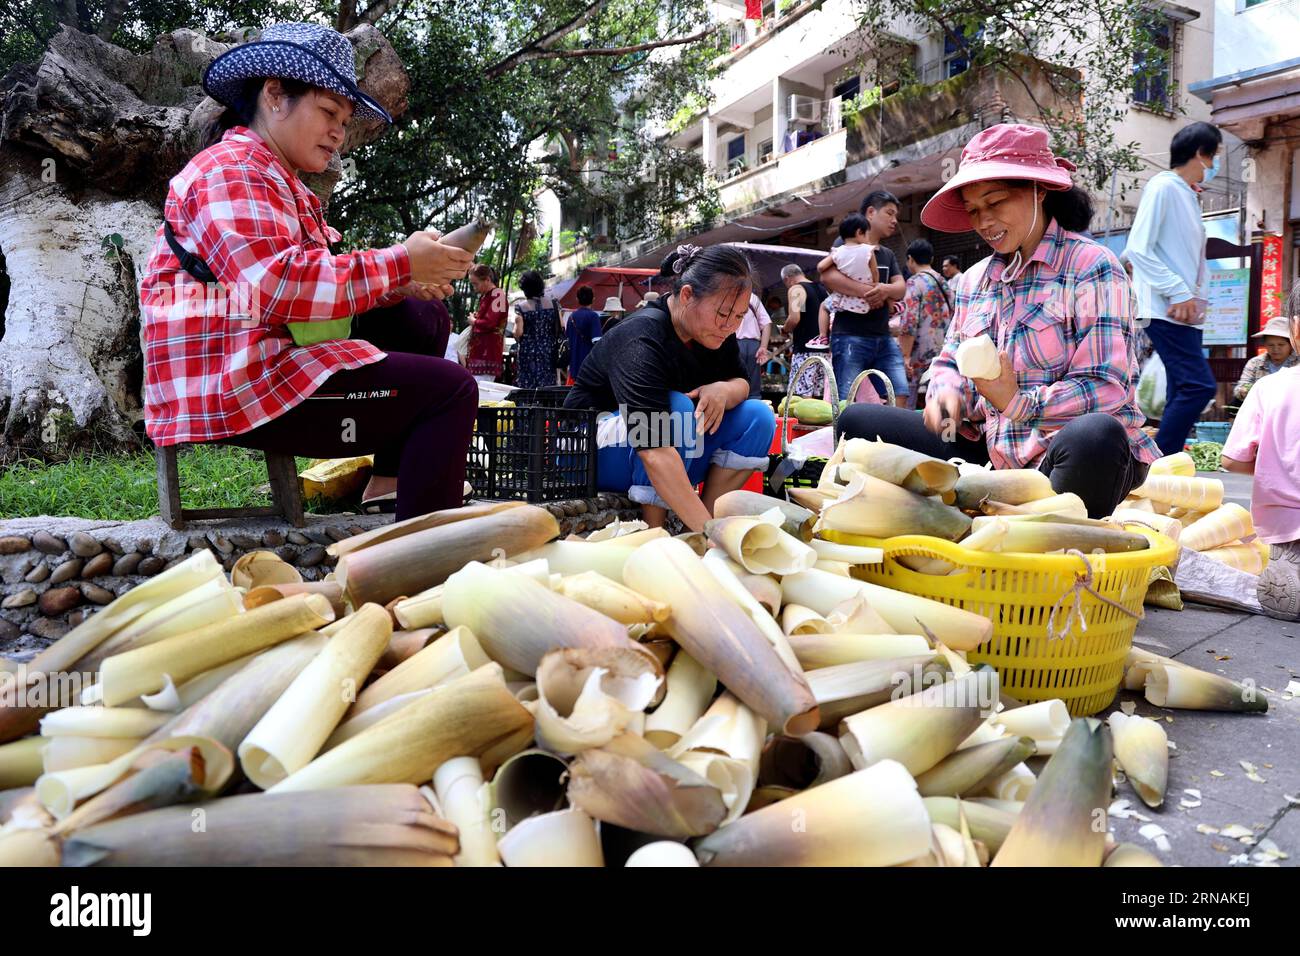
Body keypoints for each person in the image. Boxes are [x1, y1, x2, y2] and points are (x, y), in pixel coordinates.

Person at [140, 22, 476, 520]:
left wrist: (398, 282)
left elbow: (309, 290)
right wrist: (401, 259)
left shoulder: (278, 178)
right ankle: (422, 565)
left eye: (345, 118)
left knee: (420, 318)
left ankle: (389, 483)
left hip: (270, 349)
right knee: (451, 392)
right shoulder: (232, 170)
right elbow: (274, 285)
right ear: (275, 95)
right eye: (328, 112)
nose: (339, 131)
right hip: (233, 379)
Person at [837, 123, 1160, 519]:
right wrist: (946, 395)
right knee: (857, 423)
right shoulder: (974, 280)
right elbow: (950, 362)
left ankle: (1040, 533)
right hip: (993, 450)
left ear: (1039, 191)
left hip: (1059, 459)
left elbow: (1106, 389)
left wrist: (1018, 402)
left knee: (1097, 437)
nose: (984, 221)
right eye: (974, 210)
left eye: (996, 203)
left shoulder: (1092, 267)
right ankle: (959, 522)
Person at [565, 245, 776, 532]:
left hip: (662, 441)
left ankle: (696, 528)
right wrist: (715, 535)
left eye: (739, 317)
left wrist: (722, 391)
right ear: (687, 295)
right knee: (676, 409)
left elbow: (741, 382)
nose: (729, 326)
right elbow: (654, 449)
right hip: (586, 450)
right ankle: (656, 533)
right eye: (724, 313)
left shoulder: (715, 332)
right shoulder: (641, 337)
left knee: (757, 416)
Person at [1124, 122, 1223, 456]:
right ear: (1201, 153)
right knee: (1199, 386)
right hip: (1166, 308)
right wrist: (1179, 292)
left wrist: (1193, 300)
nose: (1215, 165)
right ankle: (1156, 462)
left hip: (1184, 313)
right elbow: (1138, 248)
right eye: (1215, 156)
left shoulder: (1185, 193)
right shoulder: (1163, 187)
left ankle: (1165, 466)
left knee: (1184, 388)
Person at [1222, 295, 1300, 621]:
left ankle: (1288, 564)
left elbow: (1231, 461)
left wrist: (1272, 465)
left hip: (1283, 520)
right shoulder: (1256, 367)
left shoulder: (1269, 387)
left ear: (1295, 332)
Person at [819, 192, 909, 405]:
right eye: (889, 213)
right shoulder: (847, 242)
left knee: (899, 392)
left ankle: (895, 437)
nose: (894, 220)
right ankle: (844, 438)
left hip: (883, 336)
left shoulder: (887, 253)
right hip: (850, 335)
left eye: (895, 215)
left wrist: (884, 290)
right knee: (846, 398)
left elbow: (901, 287)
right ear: (870, 212)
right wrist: (869, 292)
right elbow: (827, 276)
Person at [897, 238, 953, 409]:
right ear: (932, 259)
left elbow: (909, 322)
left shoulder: (914, 283)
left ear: (910, 259)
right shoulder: (944, 282)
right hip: (944, 350)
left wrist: (905, 355)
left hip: (920, 354)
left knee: (912, 400)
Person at [780, 263, 829, 397]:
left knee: (802, 398)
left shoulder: (796, 289)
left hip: (805, 351)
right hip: (826, 351)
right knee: (822, 397)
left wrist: (784, 330)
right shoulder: (822, 289)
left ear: (787, 278)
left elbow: (794, 318)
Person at [512, 270, 562, 389]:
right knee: (548, 386)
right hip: (549, 350)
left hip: (528, 352)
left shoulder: (521, 307)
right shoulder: (554, 304)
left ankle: (529, 406)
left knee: (528, 387)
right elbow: (561, 325)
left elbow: (518, 332)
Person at [1233, 316, 1298, 401]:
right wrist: (1244, 391)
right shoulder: (1255, 363)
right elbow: (1241, 387)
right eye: (1271, 345)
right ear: (1265, 344)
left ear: (1291, 344)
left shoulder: (1298, 362)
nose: (1275, 349)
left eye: (1281, 345)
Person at [466, 264, 507, 382]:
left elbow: (490, 323)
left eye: (475, 283)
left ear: (487, 280)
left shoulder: (498, 294)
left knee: (483, 389)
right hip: (481, 350)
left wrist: (474, 321)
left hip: (488, 351)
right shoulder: (487, 295)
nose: (474, 288)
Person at [736, 292, 773, 400]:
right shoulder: (753, 297)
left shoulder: (725, 293)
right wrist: (763, 347)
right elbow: (766, 323)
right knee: (753, 389)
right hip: (754, 346)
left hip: (734, 343)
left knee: (734, 381)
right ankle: (754, 410)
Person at [566, 285, 603, 382]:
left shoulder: (571, 317)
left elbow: (568, 339)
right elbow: (597, 342)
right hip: (589, 367)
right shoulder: (593, 316)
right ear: (593, 299)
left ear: (577, 299)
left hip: (573, 367)